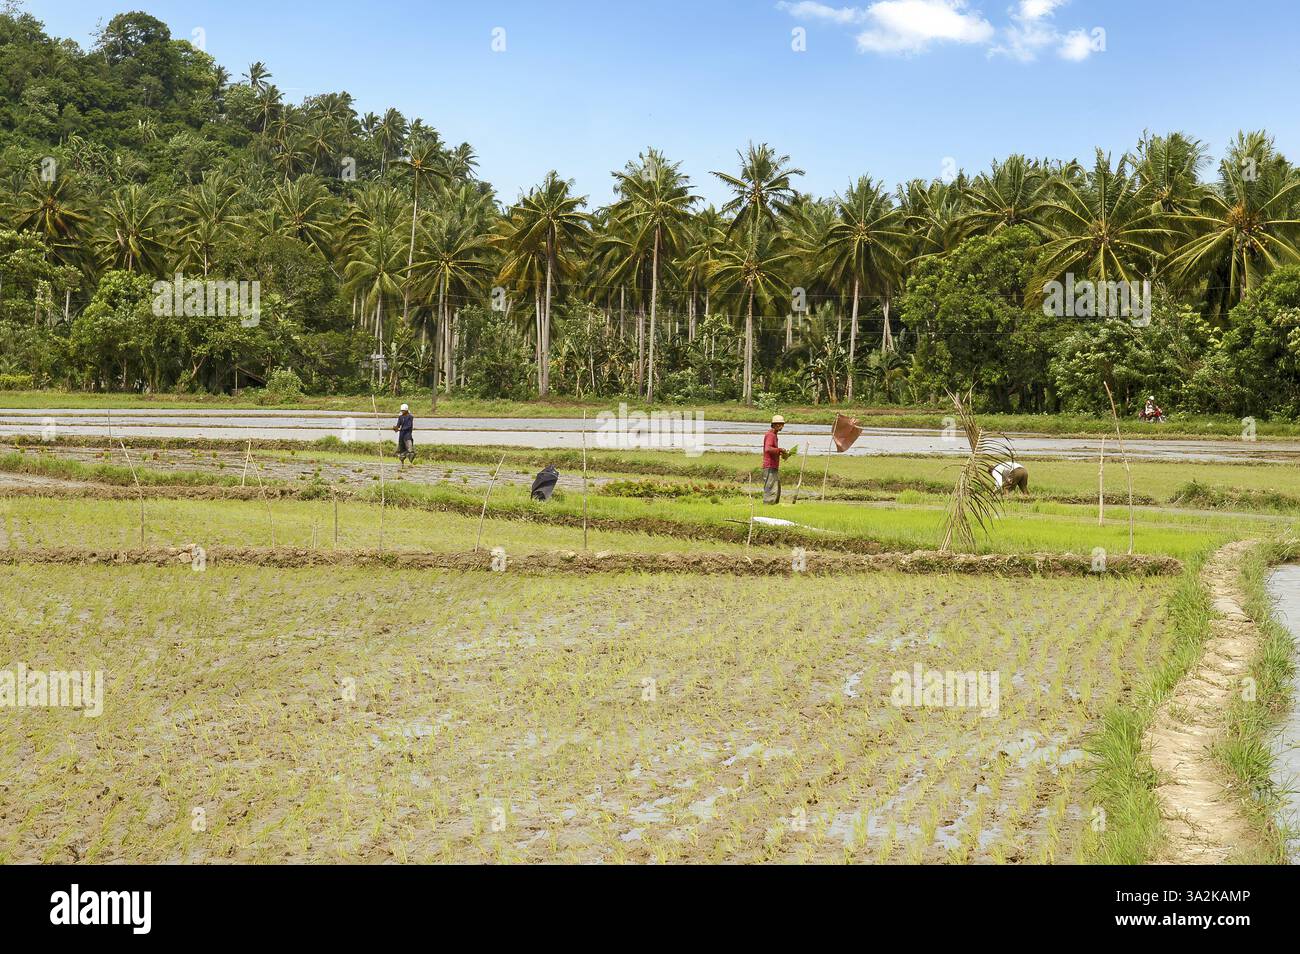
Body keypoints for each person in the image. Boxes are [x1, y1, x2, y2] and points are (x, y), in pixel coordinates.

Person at [762, 415, 793, 504]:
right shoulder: (770, 435)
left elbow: (772, 450)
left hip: (773, 465)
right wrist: (780, 450)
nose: (782, 426)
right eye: (780, 424)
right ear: (774, 425)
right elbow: (768, 449)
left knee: (776, 487)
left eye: (782, 424)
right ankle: (768, 505)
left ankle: (773, 505)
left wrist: (782, 453)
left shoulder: (774, 435)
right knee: (771, 487)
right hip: (769, 465)